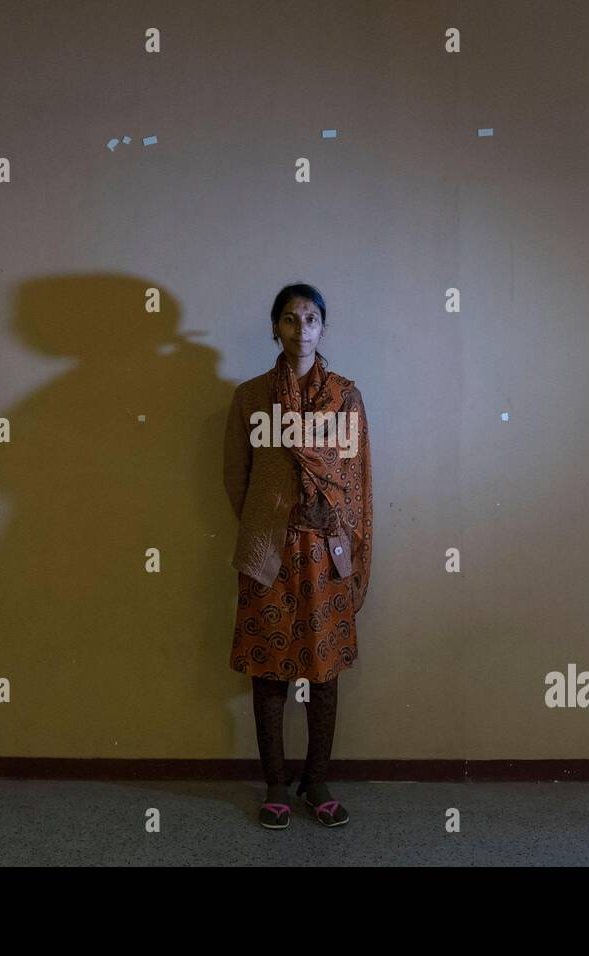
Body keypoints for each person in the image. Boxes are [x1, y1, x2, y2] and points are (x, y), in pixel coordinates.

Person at [223, 282, 373, 829]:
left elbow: (355, 478)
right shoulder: (250, 397)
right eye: (290, 319)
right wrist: (270, 518)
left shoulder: (345, 397)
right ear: (275, 328)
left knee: (324, 670)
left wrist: (343, 538)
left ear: (323, 328)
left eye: (311, 318)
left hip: (326, 554)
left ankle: (318, 782)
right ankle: (275, 786)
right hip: (269, 554)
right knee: (269, 671)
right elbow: (235, 476)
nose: (301, 329)